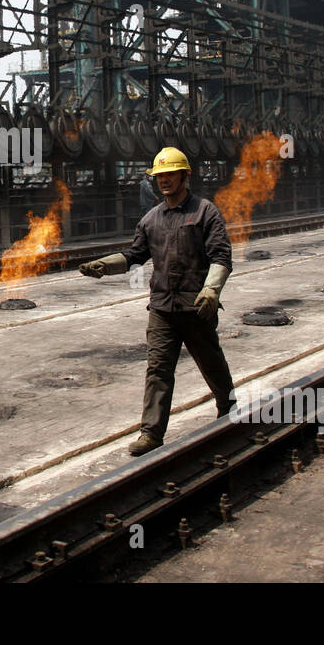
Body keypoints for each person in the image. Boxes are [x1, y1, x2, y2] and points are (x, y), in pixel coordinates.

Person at [79, 146, 236, 456]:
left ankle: (228, 407)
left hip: (196, 306)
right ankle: (151, 433)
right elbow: (135, 256)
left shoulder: (205, 212)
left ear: (185, 175)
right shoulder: (151, 219)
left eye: (169, 175)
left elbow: (222, 256)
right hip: (162, 308)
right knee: (158, 370)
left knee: (211, 362)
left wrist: (212, 290)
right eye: (159, 176)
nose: (163, 181)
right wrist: (105, 265)